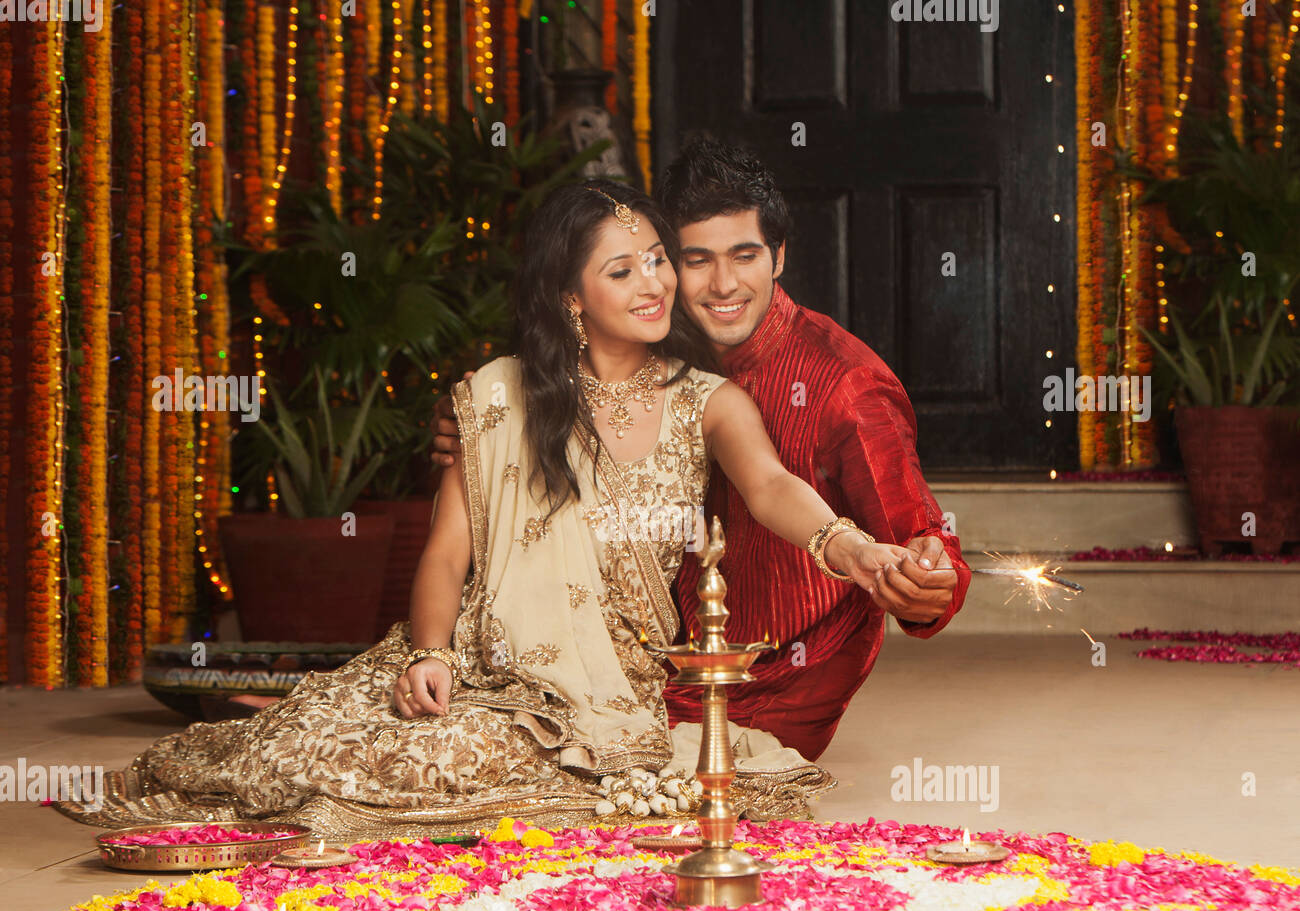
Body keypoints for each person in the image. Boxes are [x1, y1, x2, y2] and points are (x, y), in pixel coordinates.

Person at [58, 179, 909, 840]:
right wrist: (428, 653)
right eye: (623, 270)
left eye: (656, 259)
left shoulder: (707, 400)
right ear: (571, 298)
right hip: (477, 659)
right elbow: (446, 554)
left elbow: (769, 487)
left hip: (607, 688)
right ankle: (293, 729)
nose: (654, 284)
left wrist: (852, 547)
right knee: (326, 741)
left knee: (434, 763)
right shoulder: (500, 397)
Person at [433, 139, 971, 763]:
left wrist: (928, 579)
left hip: (767, 681)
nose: (722, 285)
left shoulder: (844, 384)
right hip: (634, 659)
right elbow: (534, 408)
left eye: (744, 256)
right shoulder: (646, 337)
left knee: (564, 764)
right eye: (694, 260)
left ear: (779, 257)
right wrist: (476, 424)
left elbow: (907, 534)